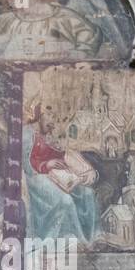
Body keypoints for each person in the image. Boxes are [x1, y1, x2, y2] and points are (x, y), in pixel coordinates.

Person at [23, 104, 99, 243]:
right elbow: (26, 165)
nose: (53, 122)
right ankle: (73, 240)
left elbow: (61, 154)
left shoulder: (49, 136)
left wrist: (82, 170)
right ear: (39, 116)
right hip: (36, 177)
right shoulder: (26, 133)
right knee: (66, 200)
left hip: (57, 176)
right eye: (50, 116)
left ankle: (92, 238)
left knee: (87, 194)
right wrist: (45, 165)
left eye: (55, 118)